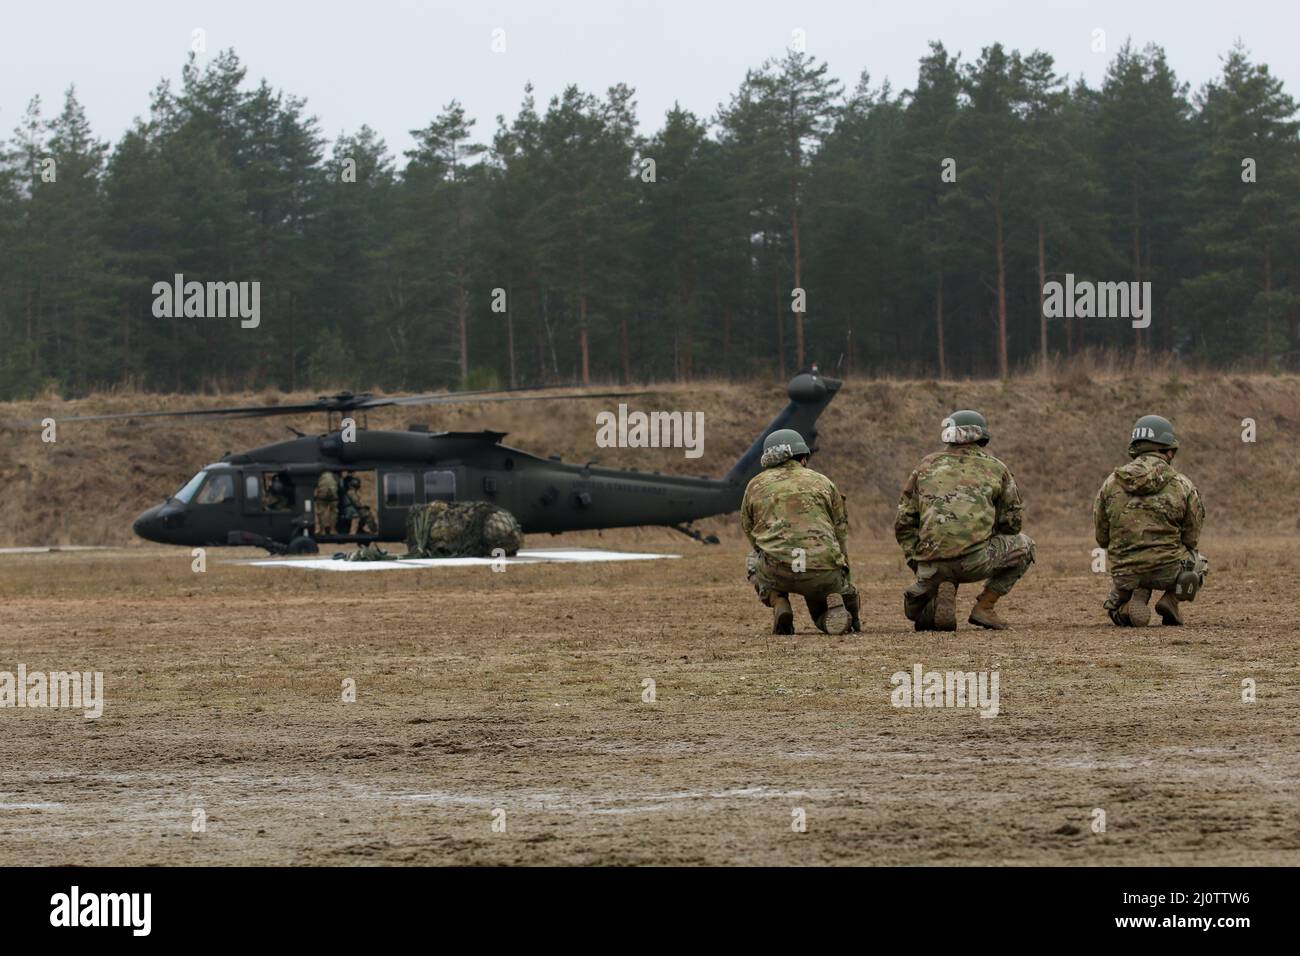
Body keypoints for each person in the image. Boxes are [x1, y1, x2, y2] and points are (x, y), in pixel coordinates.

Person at [895, 410, 1035, 631]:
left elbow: (904, 522)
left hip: (931, 560)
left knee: (928, 605)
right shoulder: (996, 468)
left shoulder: (925, 466)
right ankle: (985, 608)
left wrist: (918, 561)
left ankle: (925, 587)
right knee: (1026, 546)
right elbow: (1013, 523)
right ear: (981, 436)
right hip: (975, 562)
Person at [741, 428, 860, 636]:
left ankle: (778, 601)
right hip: (822, 569)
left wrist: (769, 552)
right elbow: (840, 529)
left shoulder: (754, 485)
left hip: (777, 569)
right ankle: (830, 613)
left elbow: (749, 529)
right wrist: (842, 569)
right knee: (820, 602)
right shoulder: (823, 482)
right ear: (803, 458)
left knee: (753, 560)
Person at [1094, 415, 1208, 626]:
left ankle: (1128, 605)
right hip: (1168, 571)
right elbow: (1191, 539)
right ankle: (1171, 599)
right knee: (1199, 564)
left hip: (1125, 571)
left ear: (1135, 447)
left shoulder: (1110, 483)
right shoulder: (1183, 485)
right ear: (1169, 450)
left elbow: (1102, 538)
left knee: (1118, 602)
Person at [314, 471, 339, 536]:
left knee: (321, 511)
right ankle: (332, 530)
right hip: (333, 489)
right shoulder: (334, 471)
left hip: (322, 490)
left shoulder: (320, 471)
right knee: (334, 511)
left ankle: (322, 530)